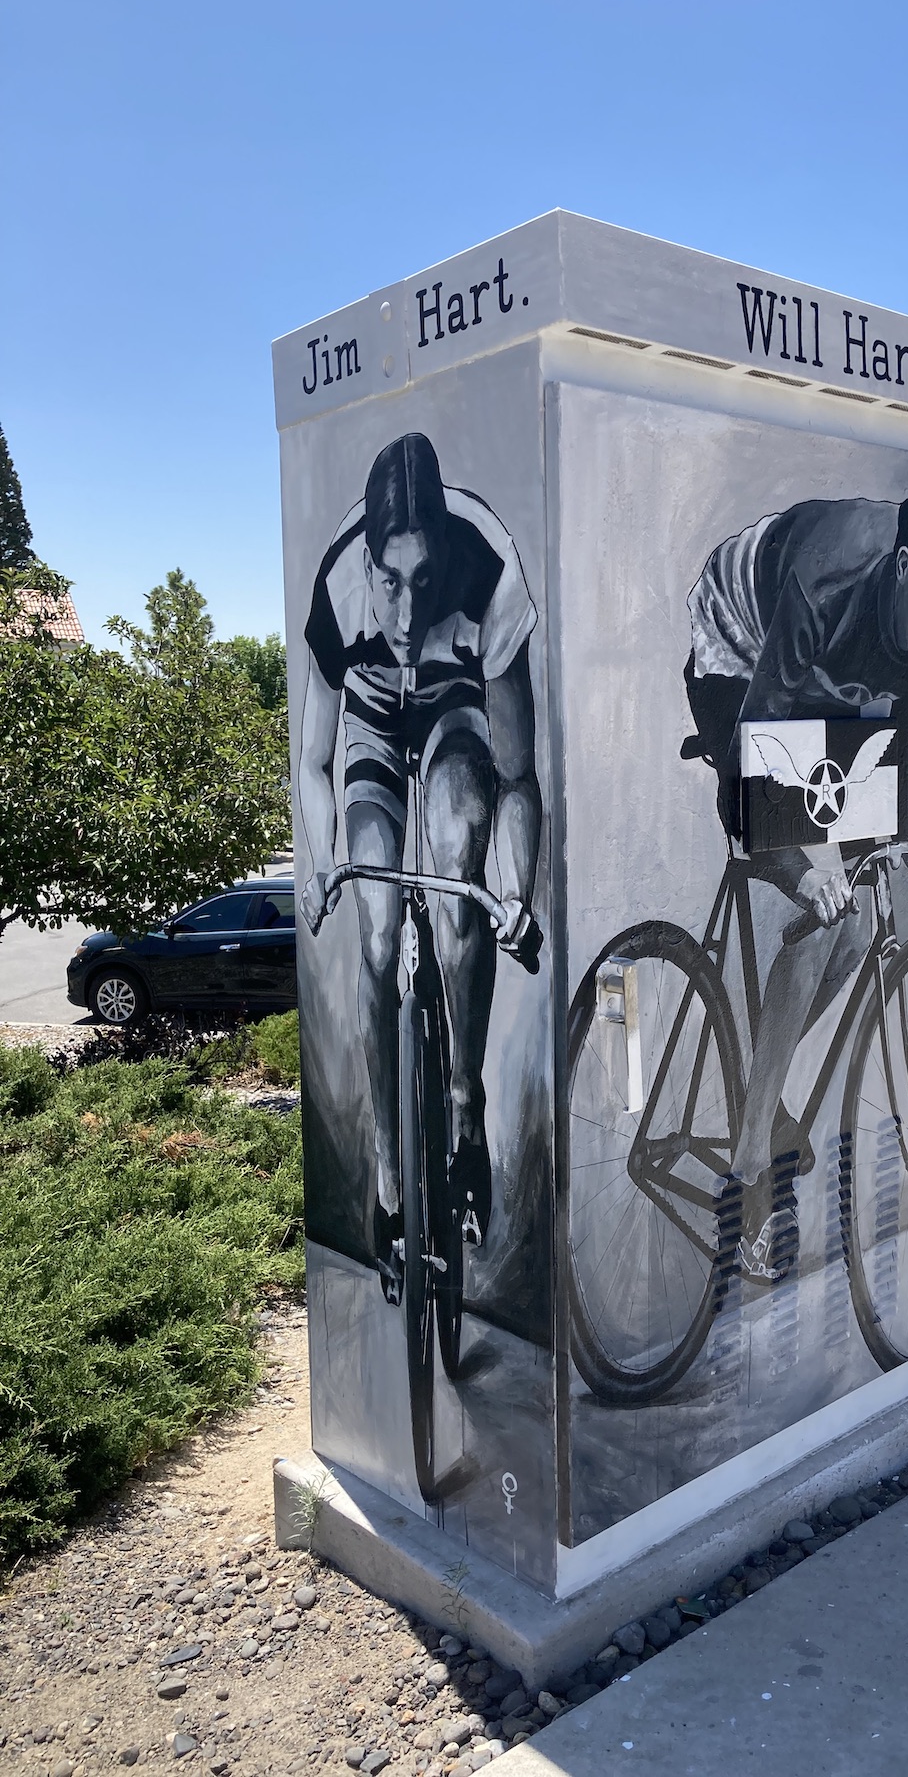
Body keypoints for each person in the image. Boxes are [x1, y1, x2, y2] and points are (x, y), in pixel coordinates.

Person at [683, 485, 908, 1279]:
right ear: (905, 567)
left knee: (851, 916)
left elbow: (903, 759)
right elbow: (756, 747)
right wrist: (800, 864)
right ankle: (747, 1172)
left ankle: (764, 1095)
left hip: (814, 674)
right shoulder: (828, 580)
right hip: (740, 653)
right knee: (820, 905)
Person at [297, 432, 541, 1301]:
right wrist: (321, 860)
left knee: (459, 844)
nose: (404, 613)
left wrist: (514, 889)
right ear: (367, 561)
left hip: (453, 713)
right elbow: (316, 759)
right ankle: (388, 1174)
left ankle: (465, 1106)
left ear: (446, 558)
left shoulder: (491, 575)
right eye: (388, 582)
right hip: (367, 720)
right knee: (376, 929)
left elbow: (517, 776)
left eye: (424, 581)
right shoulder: (335, 589)